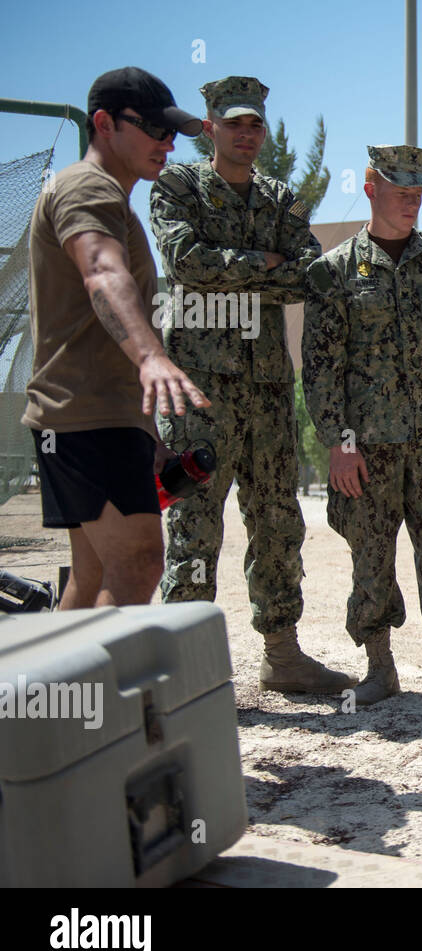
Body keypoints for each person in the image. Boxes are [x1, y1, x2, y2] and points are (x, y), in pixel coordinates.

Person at [149, 76, 352, 695]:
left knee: (277, 522)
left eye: (255, 124)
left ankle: (282, 654)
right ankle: (185, 669)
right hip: (196, 388)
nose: (245, 134)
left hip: (265, 387)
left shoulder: (283, 199)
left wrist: (236, 268)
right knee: (194, 519)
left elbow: (307, 278)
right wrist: (261, 264)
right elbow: (183, 261)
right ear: (209, 128)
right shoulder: (178, 185)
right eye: (233, 123)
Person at [302, 145, 422, 714]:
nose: (412, 202)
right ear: (371, 189)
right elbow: (321, 367)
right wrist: (340, 442)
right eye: (401, 192)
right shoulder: (333, 271)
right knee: (371, 557)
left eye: (418, 193)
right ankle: (379, 667)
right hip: (369, 447)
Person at [23, 66, 209, 608]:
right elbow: (102, 272)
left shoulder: (111, 198)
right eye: (153, 128)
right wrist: (152, 357)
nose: (168, 143)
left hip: (101, 415)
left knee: (94, 574)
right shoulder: (86, 186)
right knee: (137, 562)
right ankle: (97, 695)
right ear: (104, 123)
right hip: (83, 416)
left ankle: (56, 692)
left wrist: (144, 425)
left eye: (171, 132)